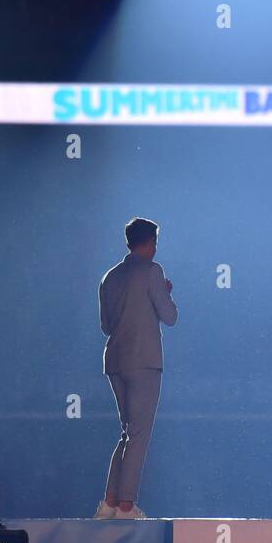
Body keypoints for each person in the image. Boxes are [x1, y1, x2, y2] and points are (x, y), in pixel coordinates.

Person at [93, 217, 178, 520]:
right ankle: (126, 505)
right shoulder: (152, 271)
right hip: (144, 361)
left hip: (115, 360)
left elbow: (105, 326)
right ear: (151, 242)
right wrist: (165, 293)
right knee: (139, 434)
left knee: (127, 433)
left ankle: (110, 502)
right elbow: (170, 317)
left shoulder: (109, 277)